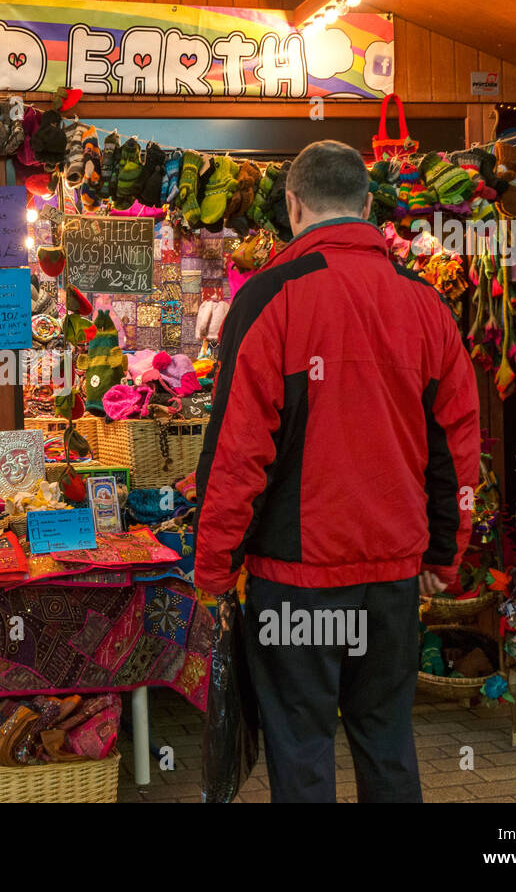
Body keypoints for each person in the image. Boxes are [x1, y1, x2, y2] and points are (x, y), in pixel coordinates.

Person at [194, 140, 480, 803]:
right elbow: (458, 443)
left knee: (301, 748)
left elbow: (237, 453)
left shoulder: (269, 298)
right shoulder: (426, 306)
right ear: (369, 206)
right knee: (386, 737)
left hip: (297, 588)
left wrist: (213, 570)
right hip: (390, 583)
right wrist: (446, 548)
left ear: (293, 204)